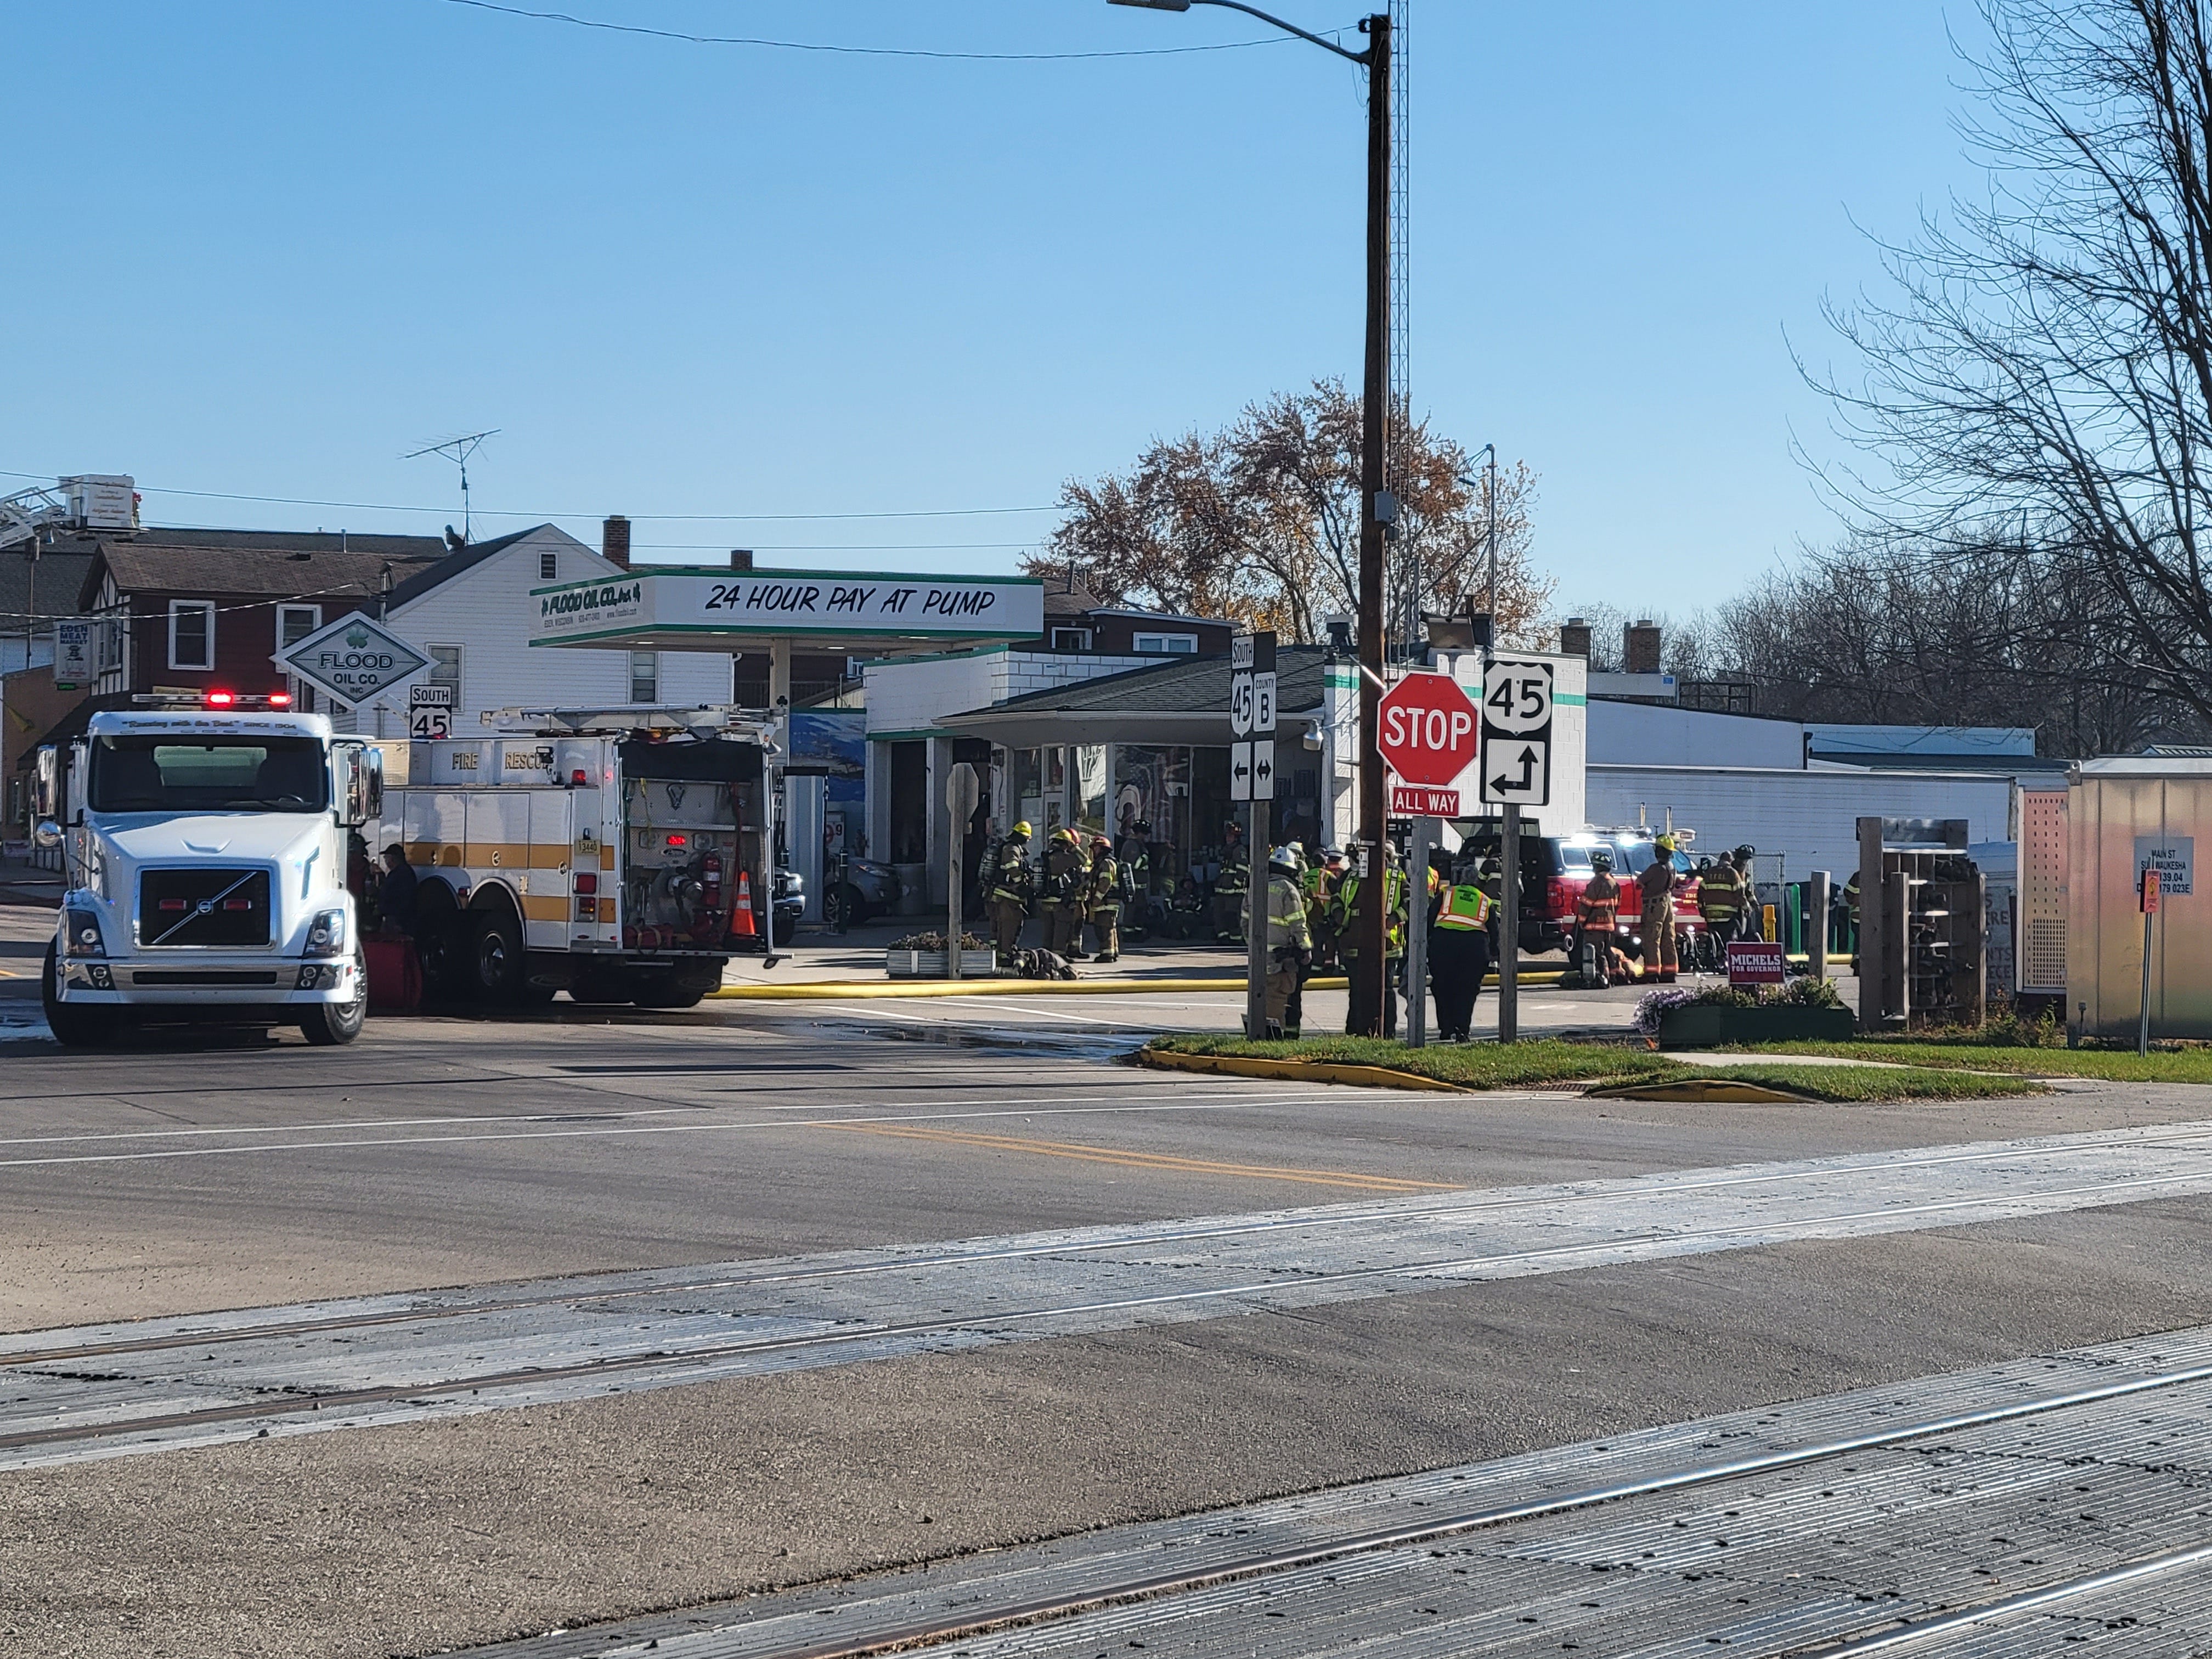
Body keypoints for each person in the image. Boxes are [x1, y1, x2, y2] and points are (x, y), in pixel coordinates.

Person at [1243, 844, 1313, 1039]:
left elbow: (1244, 919)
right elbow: (1298, 923)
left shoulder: (1256, 885)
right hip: (1282, 960)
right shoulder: (1288, 889)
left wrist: (1252, 945)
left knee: (1260, 997)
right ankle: (1273, 1038)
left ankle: (1258, 1032)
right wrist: (1306, 949)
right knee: (1279, 998)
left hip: (1259, 958)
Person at [1335, 847, 1407, 1036]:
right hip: (1354, 944)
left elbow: (1412, 901)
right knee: (1358, 990)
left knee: (1386, 990)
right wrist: (1340, 916)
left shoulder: (1397, 876)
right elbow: (1336, 898)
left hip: (1388, 945)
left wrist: (1394, 918)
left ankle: (1387, 1033)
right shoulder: (1352, 874)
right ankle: (1356, 1032)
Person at [1429, 854, 1496, 1041]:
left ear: (1461, 879)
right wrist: (1494, 955)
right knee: (1467, 992)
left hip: (1444, 947)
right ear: (1477, 882)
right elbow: (1495, 933)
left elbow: (1429, 918)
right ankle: (1462, 1030)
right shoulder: (1485, 901)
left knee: (1442, 988)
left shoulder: (1447, 894)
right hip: (1474, 950)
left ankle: (1446, 1028)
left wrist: (1426, 944)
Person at [987, 821, 1036, 963]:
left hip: (1004, 894)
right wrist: (1021, 883)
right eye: (1027, 838)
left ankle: (1000, 954)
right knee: (1009, 926)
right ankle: (1005, 955)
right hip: (1008, 895)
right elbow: (1012, 867)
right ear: (1021, 836)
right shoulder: (1012, 849)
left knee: (1002, 926)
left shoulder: (1010, 847)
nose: (1027, 841)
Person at [1575, 849, 1624, 987]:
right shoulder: (1615, 884)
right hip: (1609, 926)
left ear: (1596, 867)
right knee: (1609, 951)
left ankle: (1602, 978)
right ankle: (1615, 977)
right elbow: (1617, 906)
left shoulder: (1596, 883)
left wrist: (1582, 921)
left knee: (1597, 953)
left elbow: (1586, 904)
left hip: (1594, 927)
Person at [1041, 826, 1091, 957]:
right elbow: (1085, 861)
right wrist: (1074, 848)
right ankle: (1059, 956)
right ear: (1066, 843)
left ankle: (1046, 956)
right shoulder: (1063, 857)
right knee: (1061, 928)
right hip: (1060, 899)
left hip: (1046, 899)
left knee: (1048, 929)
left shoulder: (1045, 855)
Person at [1639, 833, 1683, 981]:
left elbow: (1640, 882)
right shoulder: (1672, 868)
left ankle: (1652, 973)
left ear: (1659, 851)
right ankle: (1669, 972)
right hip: (1667, 903)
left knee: (1652, 938)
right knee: (1668, 938)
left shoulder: (1655, 869)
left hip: (1654, 905)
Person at [1694, 846, 1745, 958]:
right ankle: (1728, 961)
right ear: (1730, 860)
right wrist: (1746, 907)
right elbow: (1739, 893)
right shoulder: (1732, 873)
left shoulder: (1709, 873)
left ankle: (1714, 959)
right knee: (1729, 940)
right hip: (1728, 916)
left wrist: (1702, 910)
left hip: (1711, 916)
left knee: (1714, 940)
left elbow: (1700, 893)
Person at [1084, 833, 1122, 963]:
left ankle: (1107, 954)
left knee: (1105, 928)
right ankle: (1113, 951)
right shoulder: (1102, 863)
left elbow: (1105, 883)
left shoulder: (1106, 863)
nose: (1094, 851)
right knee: (1109, 927)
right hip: (1106, 901)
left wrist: (1097, 899)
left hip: (1107, 902)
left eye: (1096, 848)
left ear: (1103, 849)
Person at [1213, 821, 1249, 944]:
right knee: (1220, 916)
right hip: (1223, 891)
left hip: (1234, 893)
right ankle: (1223, 938)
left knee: (1233, 917)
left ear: (1237, 838)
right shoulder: (1225, 850)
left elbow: (1243, 869)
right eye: (1227, 836)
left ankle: (1236, 940)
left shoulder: (1240, 850)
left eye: (1231, 836)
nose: (1228, 838)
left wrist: (1236, 884)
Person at [1116, 818, 1152, 939]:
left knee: (1140, 910)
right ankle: (1128, 933)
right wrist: (1145, 858)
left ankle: (1138, 932)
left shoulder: (1139, 844)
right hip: (1133, 886)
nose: (1146, 836)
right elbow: (1134, 865)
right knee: (1132, 910)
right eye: (1145, 833)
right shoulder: (1131, 845)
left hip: (1140, 887)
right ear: (1139, 832)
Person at [378, 843, 420, 939]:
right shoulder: (402, 872)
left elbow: (402, 898)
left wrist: (399, 923)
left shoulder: (402, 874)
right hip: (397, 919)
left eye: (386, 858)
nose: (385, 861)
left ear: (393, 858)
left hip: (398, 920)